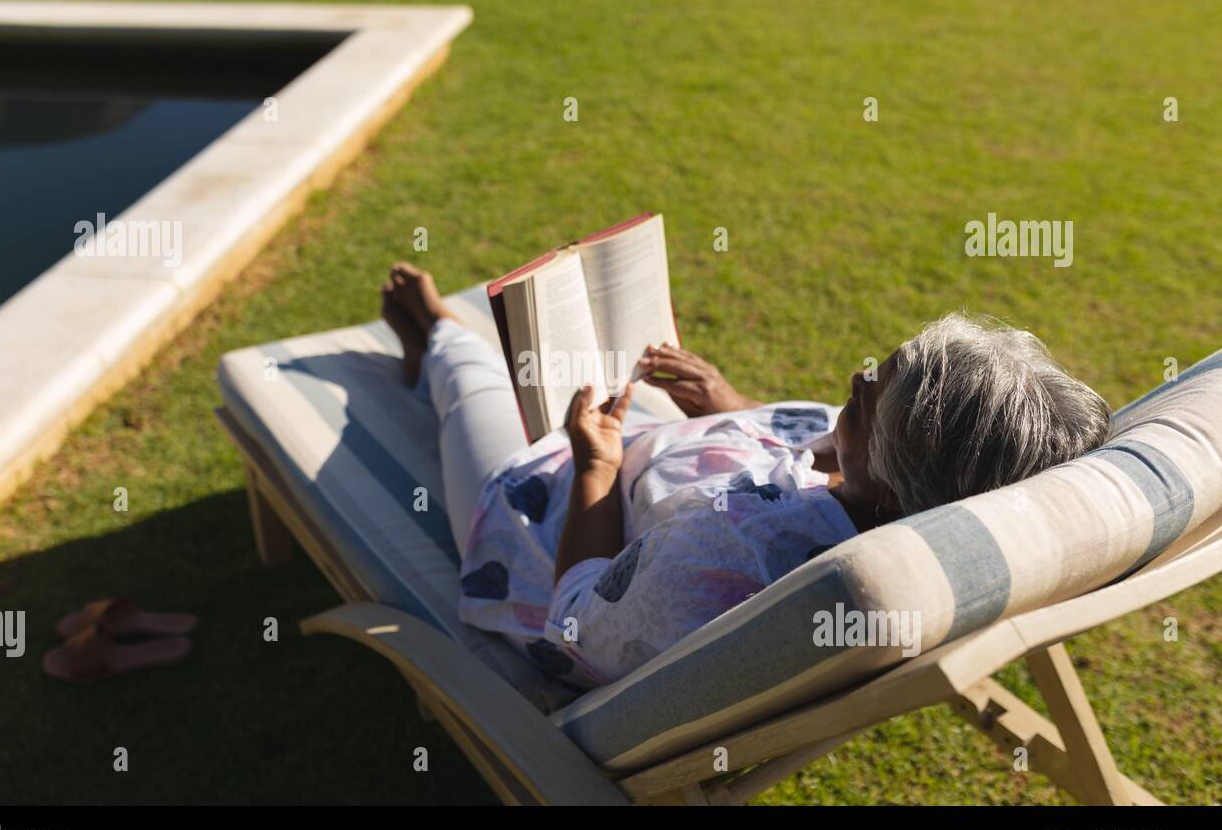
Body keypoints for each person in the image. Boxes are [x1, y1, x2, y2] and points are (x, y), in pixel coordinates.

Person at [380, 262, 1112, 688]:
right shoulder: (917, 510)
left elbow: (578, 617)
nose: (855, 382)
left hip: (546, 516)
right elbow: (822, 465)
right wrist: (732, 408)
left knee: (474, 396)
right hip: (663, 459)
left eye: (862, 403)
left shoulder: (724, 561)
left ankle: (436, 333)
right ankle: (441, 343)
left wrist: (594, 464)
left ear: (893, 480)